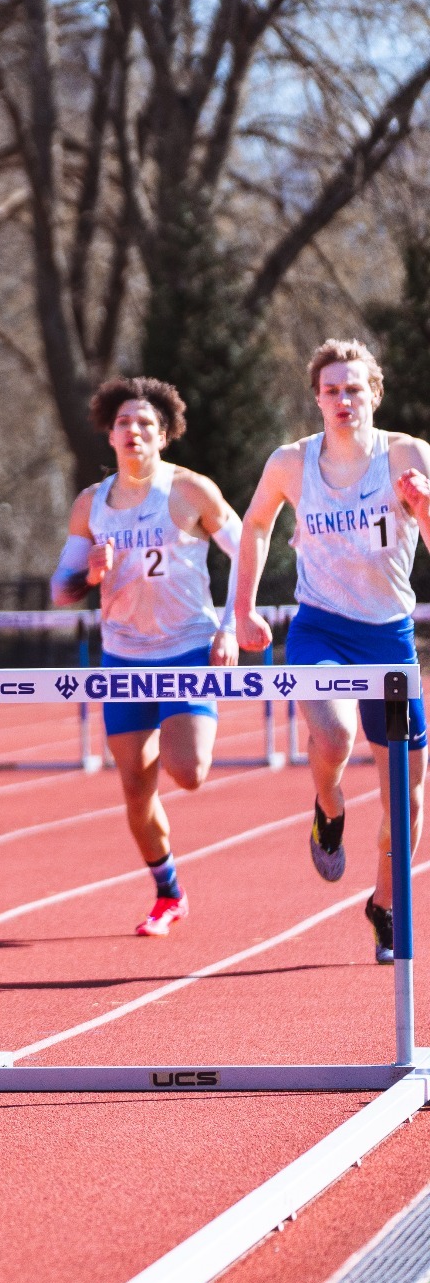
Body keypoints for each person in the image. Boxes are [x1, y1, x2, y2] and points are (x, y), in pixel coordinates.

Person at [233, 339, 430, 963]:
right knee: (335, 735)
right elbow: (256, 524)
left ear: (374, 393)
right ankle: (329, 802)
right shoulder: (292, 463)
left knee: (410, 795)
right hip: (320, 626)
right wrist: (242, 609)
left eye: (353, 390)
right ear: (316, 399)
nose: (342, 401)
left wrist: (424, 509)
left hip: (389, 635)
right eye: (330, 391)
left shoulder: (407, 455)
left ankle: (384, 904)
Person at [50, 378, 242, 937]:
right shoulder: (92, 503)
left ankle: (169, 885)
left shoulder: (190, 492)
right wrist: (90, 573)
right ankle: (168, 893)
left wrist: (229, 626)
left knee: (189, 773)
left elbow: (247, 553)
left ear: (164, 436)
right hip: (124, 657)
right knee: (135, 787)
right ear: (110, 435)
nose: (133, 432)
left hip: (185, 648)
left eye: (145, 425)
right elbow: (61, 589)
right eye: (124, 424)